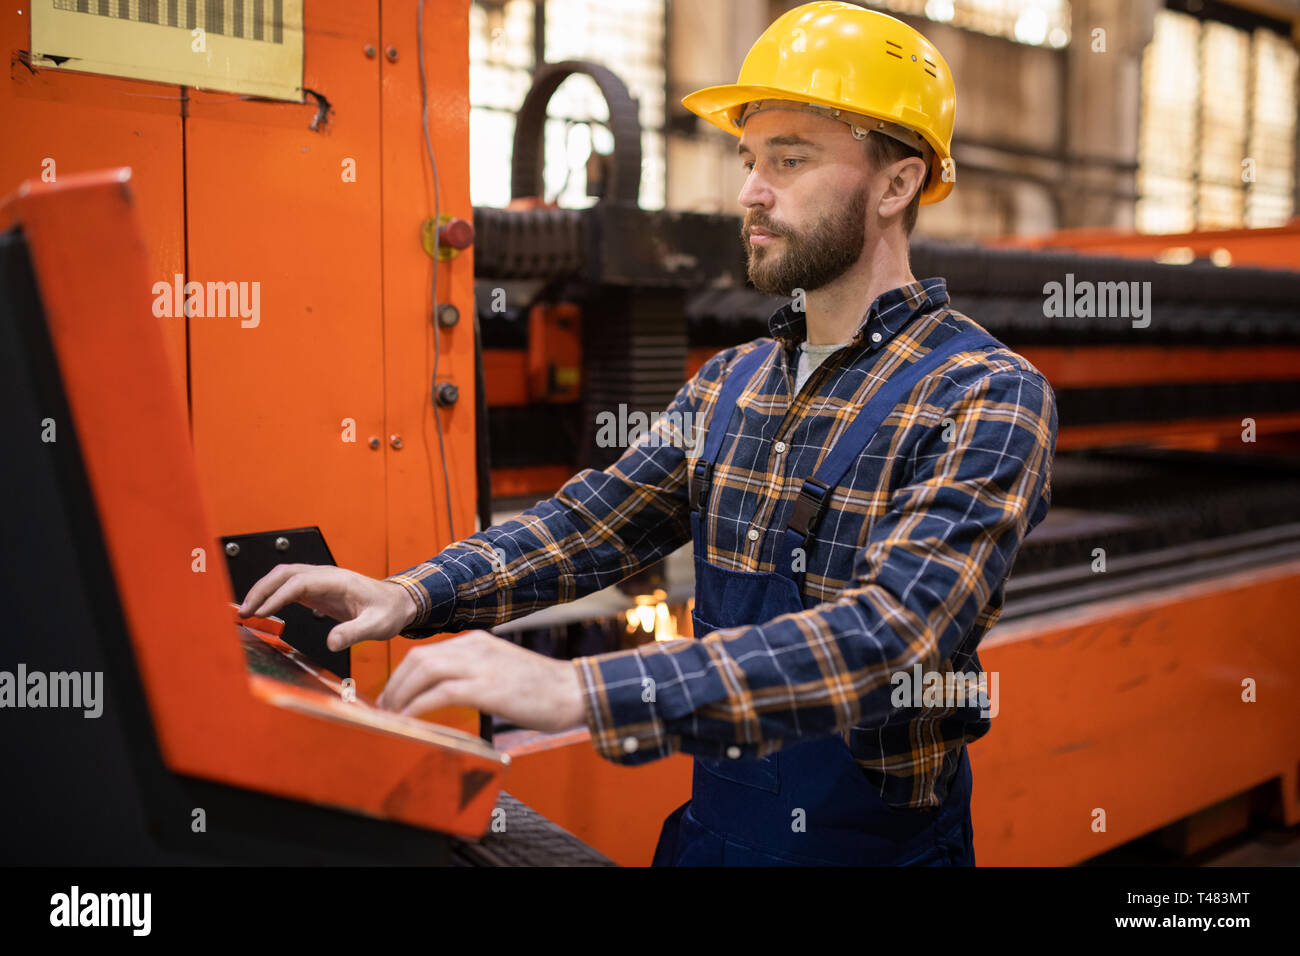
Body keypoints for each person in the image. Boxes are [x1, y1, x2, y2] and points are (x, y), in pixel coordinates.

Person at [239, 1, 1057, 866]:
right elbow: (589, 525)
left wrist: (583, 688)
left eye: (791, 157)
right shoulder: (731, 383)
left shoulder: (985, 395)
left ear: (897, 184)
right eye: (748, 159)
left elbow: (896, 635)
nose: (750, 190)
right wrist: (410, 593)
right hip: (716, 839)